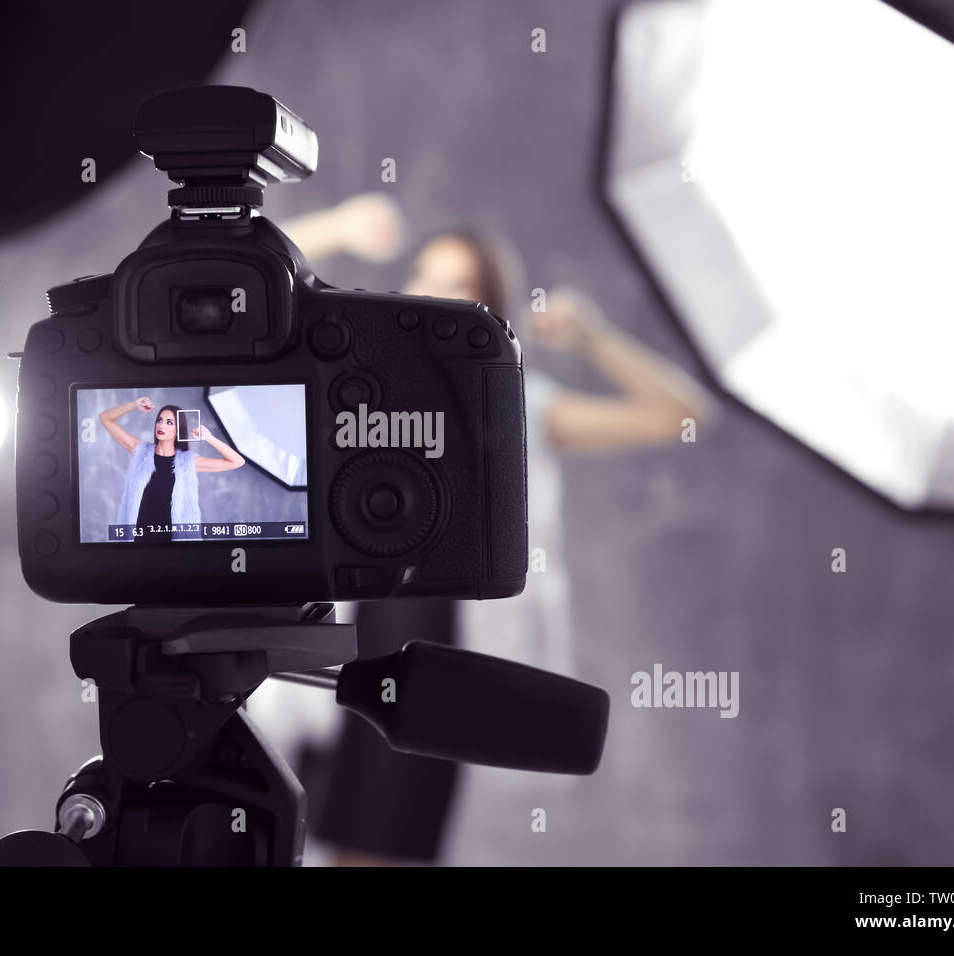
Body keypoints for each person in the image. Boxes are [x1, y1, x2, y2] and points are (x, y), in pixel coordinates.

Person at [278, 196, 711, 865]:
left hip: (435, 663)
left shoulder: (520, 410)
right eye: (424, 275)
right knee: (289, 837)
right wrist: (336, 228)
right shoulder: (352, 385)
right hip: (336, 653)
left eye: (459, 285)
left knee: (380, 849)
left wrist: (592, 335)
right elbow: (240, 291)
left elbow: (680, 412)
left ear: (488, 310)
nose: (432, 295)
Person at [99, 398, 246, 541]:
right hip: (137, 542)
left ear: (178, 430)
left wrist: (209, 438)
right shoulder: (140, 451)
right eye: (159, 420)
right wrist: (134, 405)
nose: (161, 425)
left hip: (172, 545)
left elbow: (237, 461)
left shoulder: (187, 462)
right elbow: (105, 418)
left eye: (169, 422)